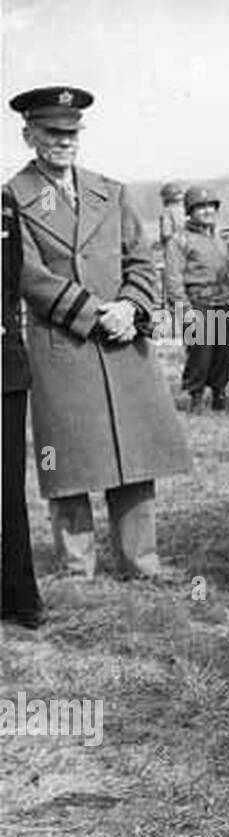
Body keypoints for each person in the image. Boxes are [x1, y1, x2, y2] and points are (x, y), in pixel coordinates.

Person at [5, 86, 191, 580]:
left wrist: (131, 307)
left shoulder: (112, 190)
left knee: (134, 451)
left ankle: (141, 560)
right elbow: (24, 273)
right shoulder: (12, 199)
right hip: (63, 343)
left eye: (72, 133)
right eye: (52, 132)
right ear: (29, 135)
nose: (64, 141)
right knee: (66, 455)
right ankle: (77, 567)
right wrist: (92, 313)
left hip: (123, 340)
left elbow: (141, 261)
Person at [2, 188, 44, 628]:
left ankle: (16, 594)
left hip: (4, 364)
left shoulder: (5, 205)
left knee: (8, 486)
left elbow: (19, 276)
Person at [164, 185, 229, 412]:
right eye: (200, 207)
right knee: (200, 352)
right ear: (189, 211)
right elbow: (173, 278)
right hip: (197, 304)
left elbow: (228, 272)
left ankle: (219, 392)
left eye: (210, 206)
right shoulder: (179, 241)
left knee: (225, 351)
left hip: (223, 302)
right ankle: (195, 395)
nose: (207, 211)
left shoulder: (219, 238)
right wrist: (183, 309)